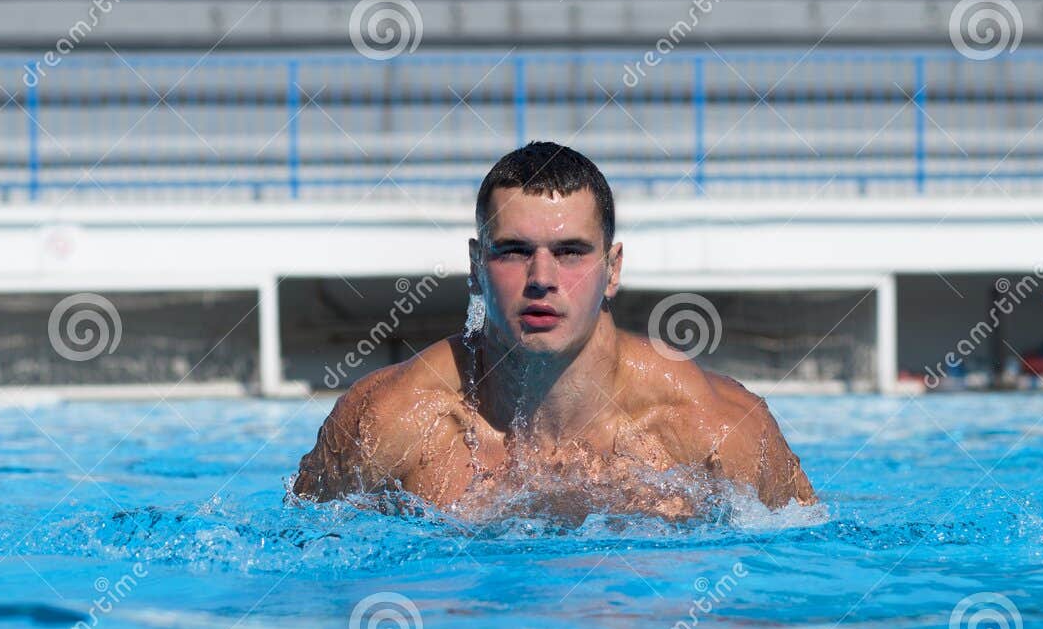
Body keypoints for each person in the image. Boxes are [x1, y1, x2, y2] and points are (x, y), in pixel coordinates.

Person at [292, 141, 815, 519]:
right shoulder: (392, 418)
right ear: (476, 265)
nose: (542, 279)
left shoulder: (716, 429)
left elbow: (802, 576)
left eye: (570, 253)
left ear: (612, 269)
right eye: (514, 251)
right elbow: (297, 559)